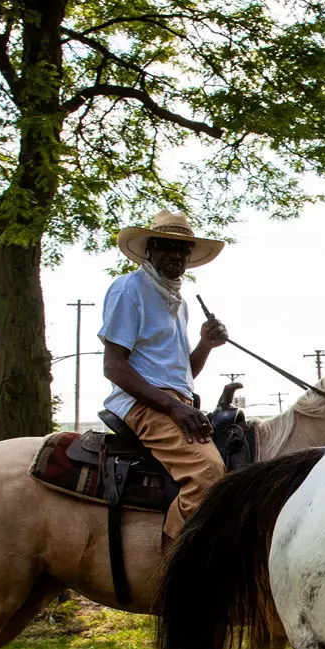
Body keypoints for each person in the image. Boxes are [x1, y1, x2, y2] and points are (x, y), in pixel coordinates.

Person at [98, 210, 231, 543]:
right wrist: (173, 408)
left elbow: (182, 373)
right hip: (142, 403)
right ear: (149, 250)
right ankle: (174, 563)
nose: (175, 255)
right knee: (208, 474)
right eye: (166, 246)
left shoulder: (179, 302)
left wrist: (206, 344)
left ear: (189, 256)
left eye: (182, 249)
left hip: (175, 401)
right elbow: (113, 366)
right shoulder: (129, 289)